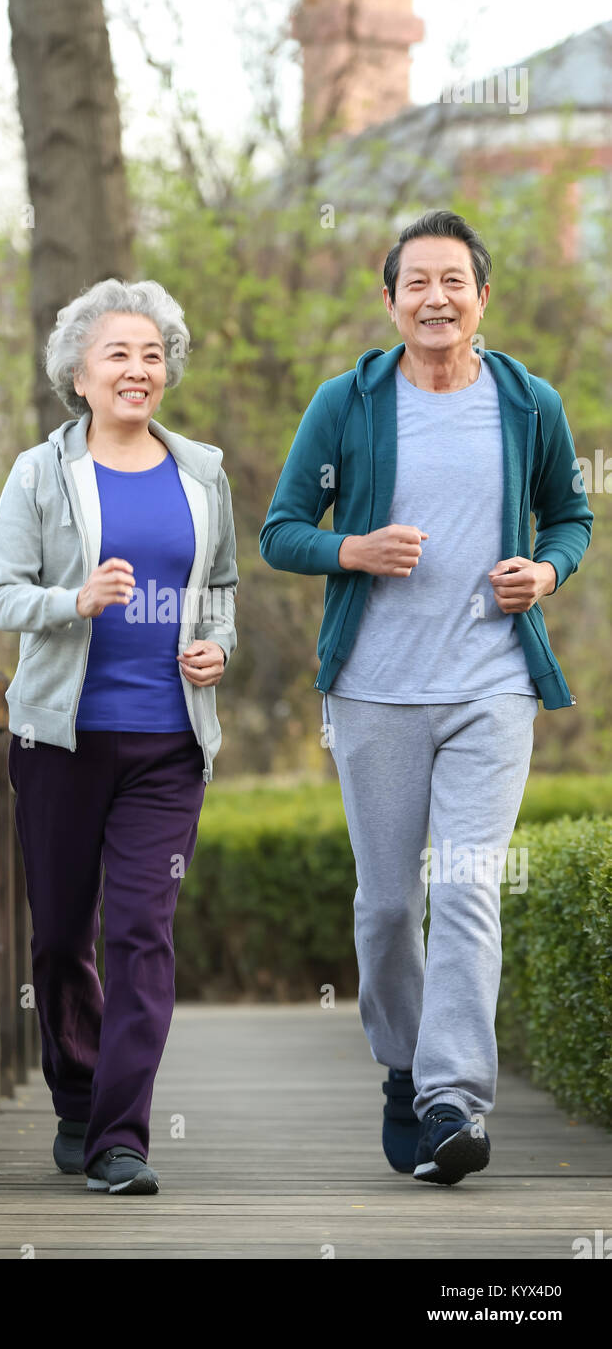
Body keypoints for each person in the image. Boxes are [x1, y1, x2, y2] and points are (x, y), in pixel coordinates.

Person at [260, 209, 593, 1185]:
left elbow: (569, 517)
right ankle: (403, 1070)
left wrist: (546, 571)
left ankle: (454, 1096)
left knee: (463, 885)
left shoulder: (527, 402)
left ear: (481, 297)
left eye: (454, 282)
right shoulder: (345, 403)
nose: (436, 298)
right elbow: (282, 529)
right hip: (371, 692)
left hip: (489, 684)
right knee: (384, 902)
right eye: (417, 283)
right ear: (390, 300)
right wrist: (350, 550)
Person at [0, 278, 237, 1194]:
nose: (138, 369)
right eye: (118, 355)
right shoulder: (40, 473)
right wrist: (73, 600)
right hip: (61, 739)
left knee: (140, 930)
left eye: (152, 354)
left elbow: (221, 596)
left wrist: (214, 648)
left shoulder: (201, 471)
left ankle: (122, 1137)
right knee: (59, 938)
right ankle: (79, 1093)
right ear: (79, 376)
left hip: (169, 744)